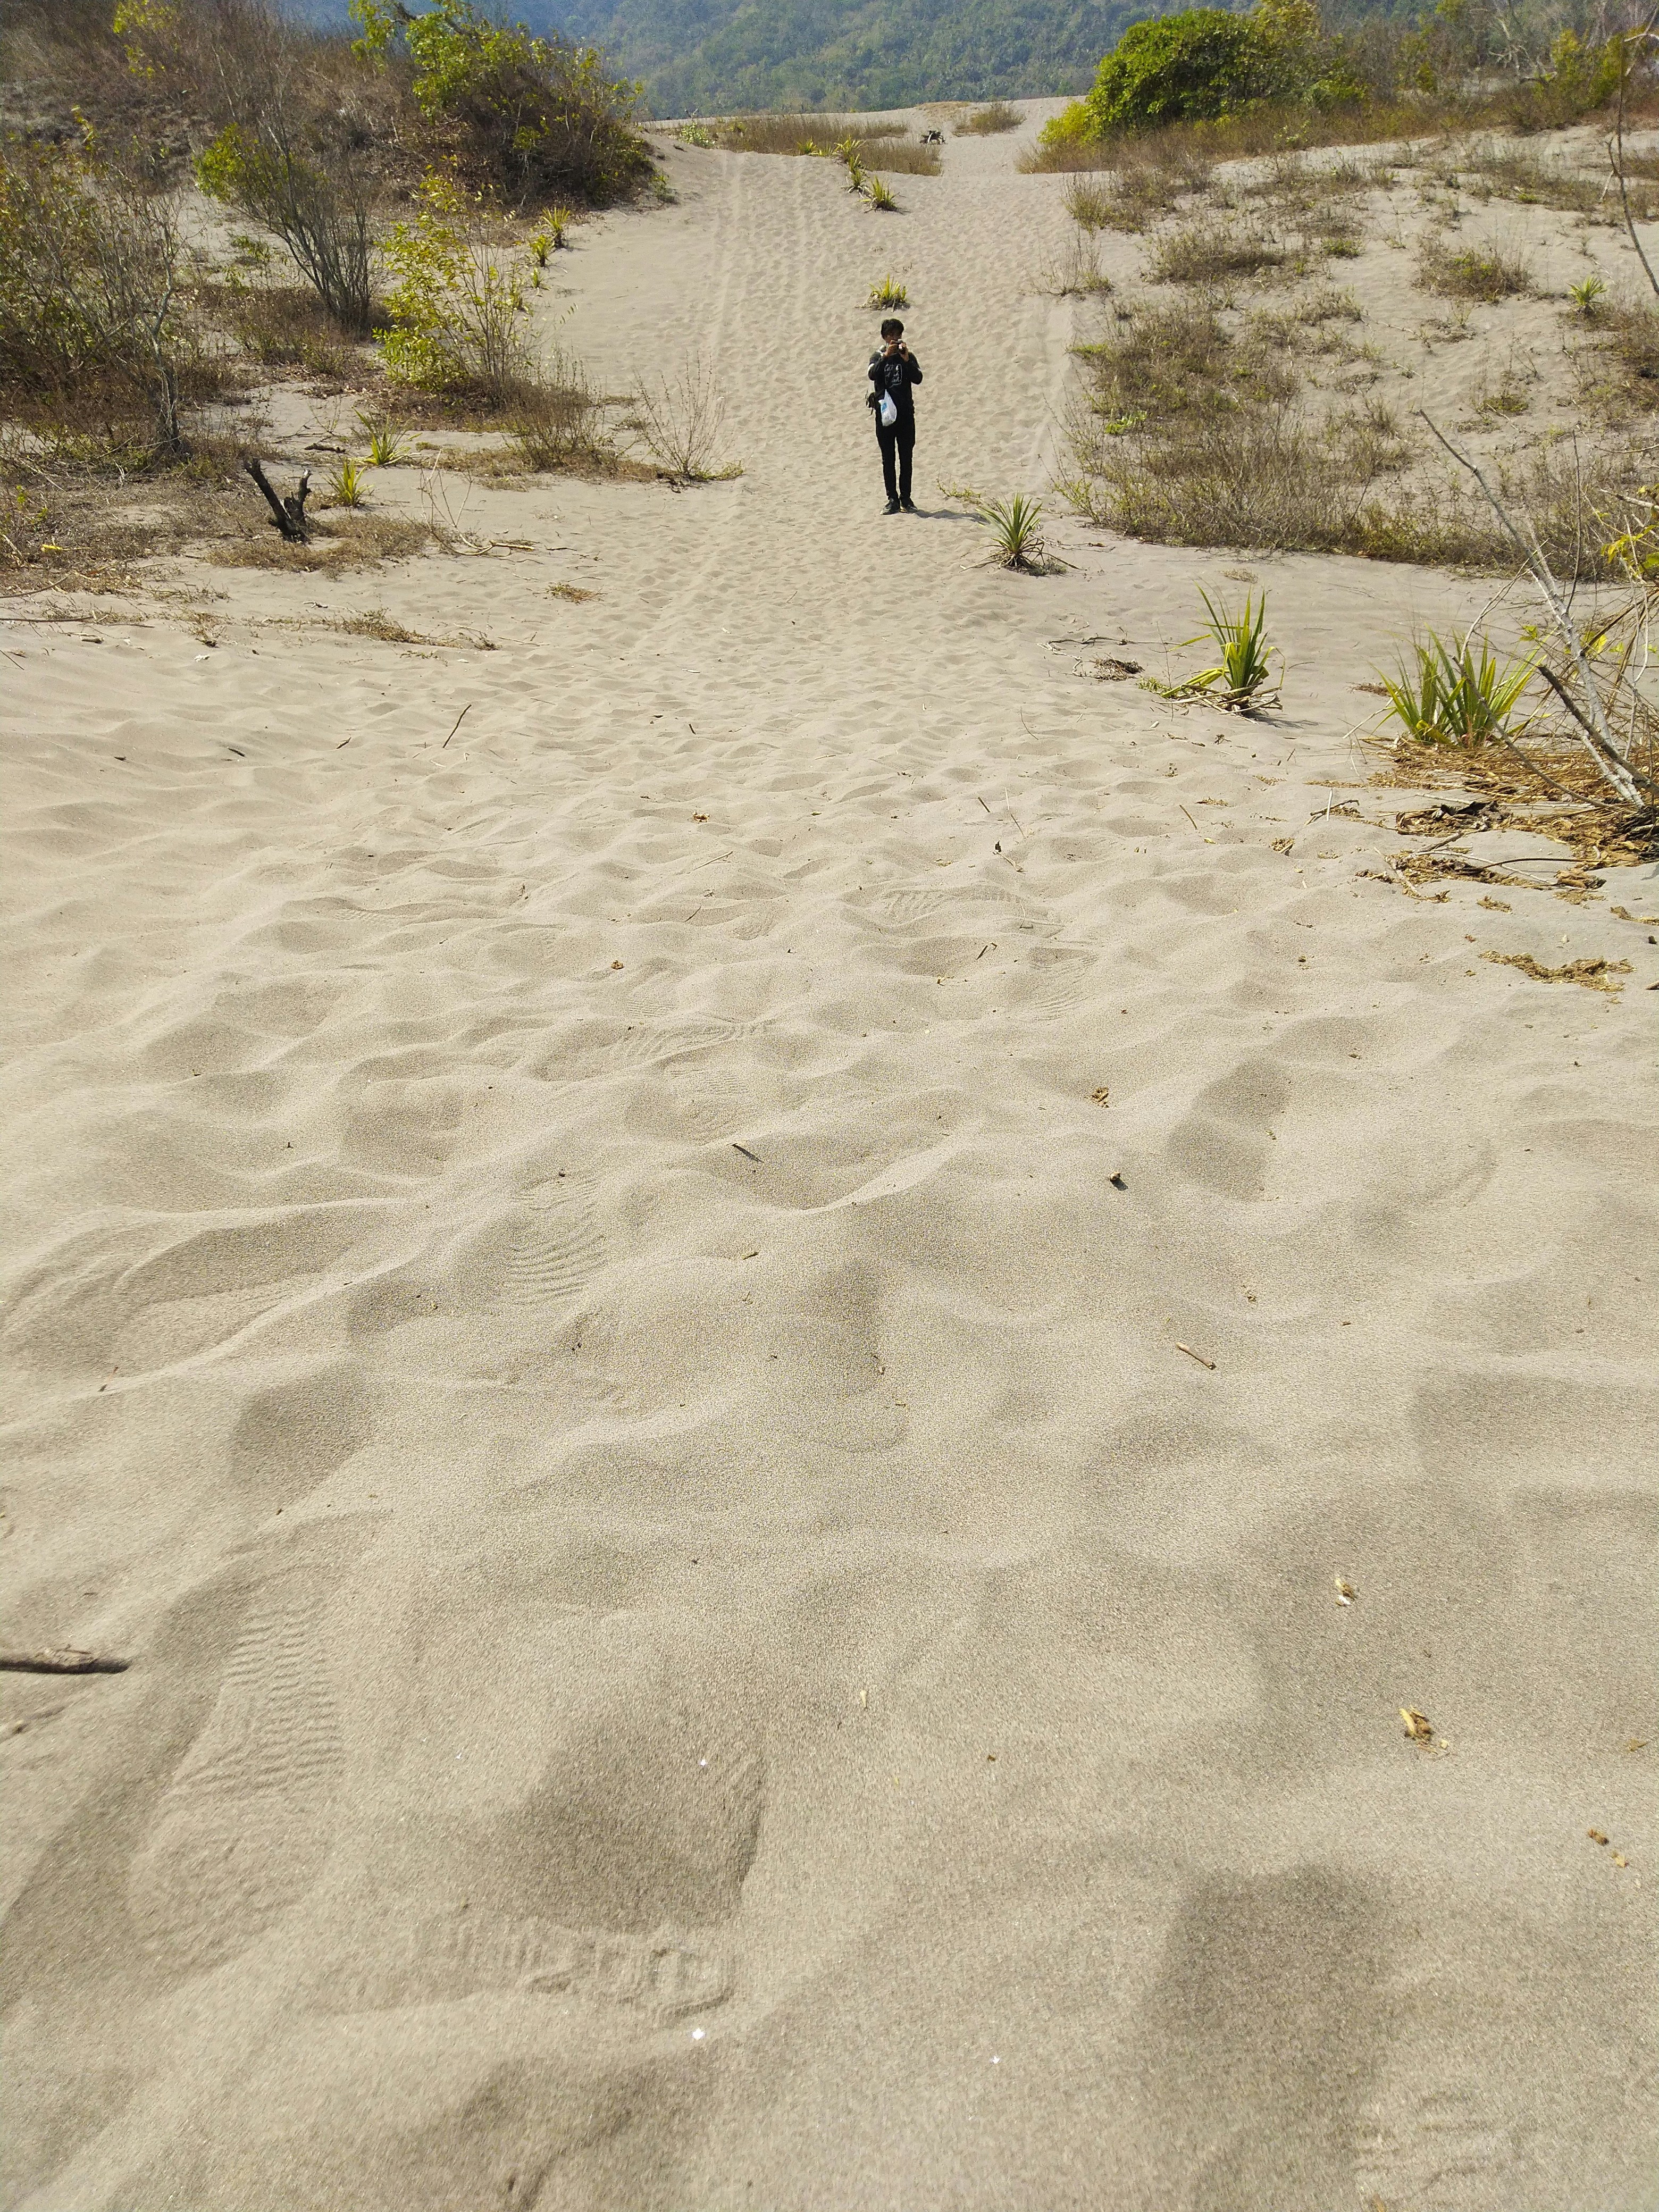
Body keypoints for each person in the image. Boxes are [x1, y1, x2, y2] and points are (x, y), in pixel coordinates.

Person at [866, 319, 922, 514]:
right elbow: (872, 375)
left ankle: (906, 499)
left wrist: (906, 360)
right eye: (892, 336)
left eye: (898, 335)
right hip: (885, 416)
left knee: (906, 458)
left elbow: (918, 379)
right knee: (888, 459)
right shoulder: (877, 356)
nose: (895, 340)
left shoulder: (908, 356)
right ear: (884, 337)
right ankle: (892, 499)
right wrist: (885, 358)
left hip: (906, 415)